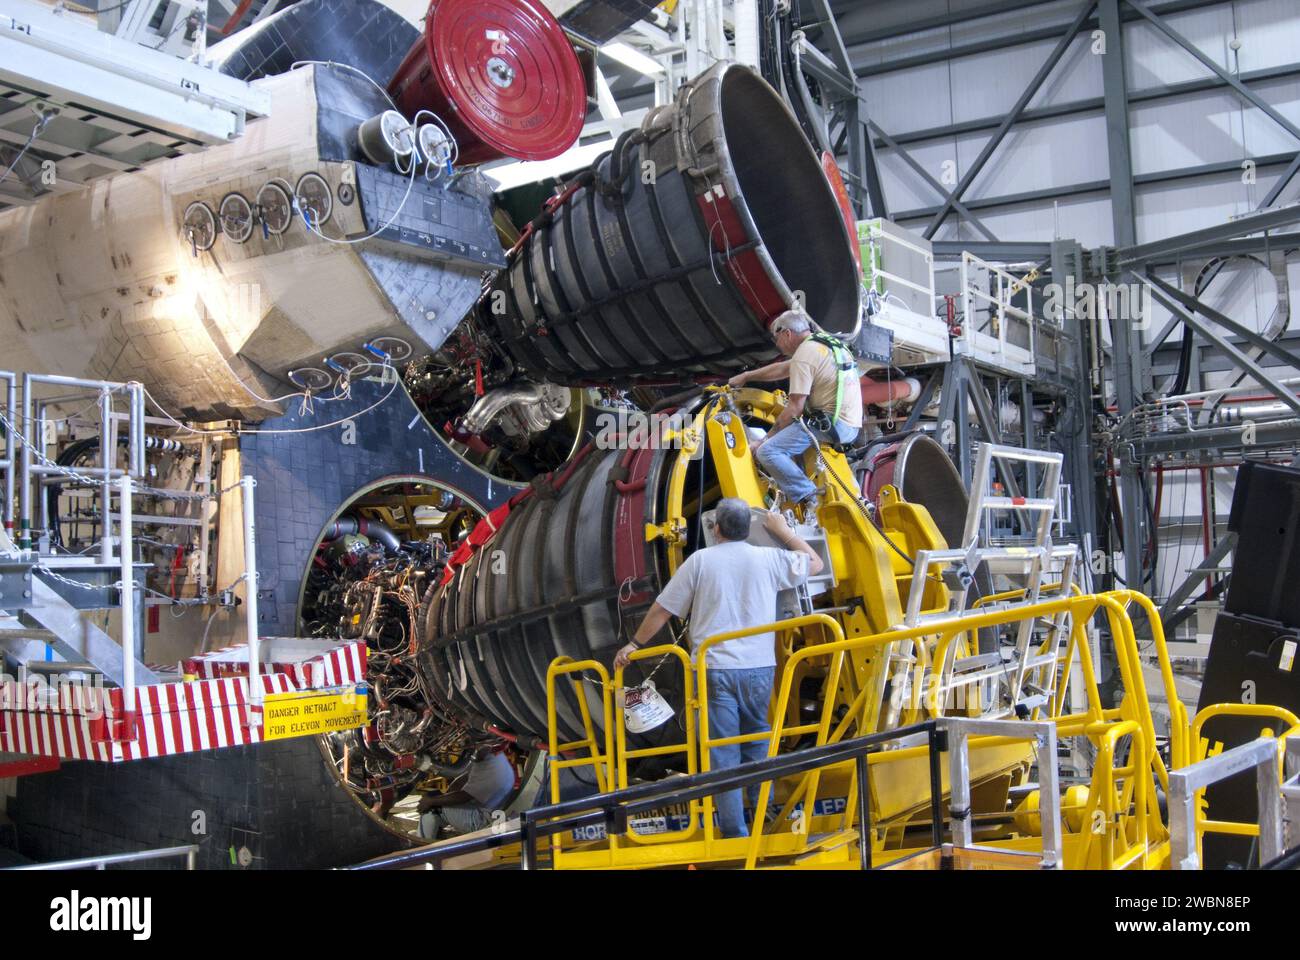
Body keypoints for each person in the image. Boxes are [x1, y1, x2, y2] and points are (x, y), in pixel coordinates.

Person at [614, 498, 824, 838]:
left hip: (715, 668)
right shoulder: (768, 559)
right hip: (759, 668)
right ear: (748, 528)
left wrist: (634, 644)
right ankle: (763, 818)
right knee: (757, 740)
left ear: (716, 528)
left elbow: (662, 609)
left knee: (723, 749)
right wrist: (783, 532)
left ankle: (733, 830)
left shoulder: (700, 561)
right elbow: (814, 564)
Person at [729, 309, 863, 510]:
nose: (777, 345)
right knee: (789, 447)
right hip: (850, 425)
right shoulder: (823, 345)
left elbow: (795, 408)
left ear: (786, 333)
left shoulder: (804, 354)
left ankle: (809, 497)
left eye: (776, 338)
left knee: (769, 452)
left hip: (832, 426)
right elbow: (783, 369)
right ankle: (798, 485)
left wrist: (764, 440)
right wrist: (747, 377)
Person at [417, 746, 516, 839]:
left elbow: (463, 796)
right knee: (435, 797)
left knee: (432, 808)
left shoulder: (489, 766)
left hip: (486, 821)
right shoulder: (494, 757)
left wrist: (431, 801)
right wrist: (443, 795)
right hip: (492, 812)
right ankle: (436, 836)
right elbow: (465, 778)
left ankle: (422, 847)